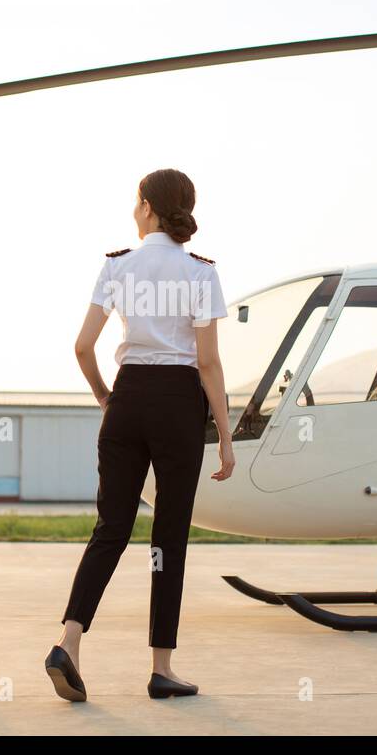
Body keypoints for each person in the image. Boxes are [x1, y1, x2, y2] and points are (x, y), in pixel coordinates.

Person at [46, 168, 235, 702]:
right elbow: (209, 363)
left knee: (111, 528)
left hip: (127, 398)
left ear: (148, 207)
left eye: (136, 202)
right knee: (167, 538)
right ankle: (161, 668)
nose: (133, 210)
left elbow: (83, 347)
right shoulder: (201, 273)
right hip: (178, 404)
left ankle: (69, 642)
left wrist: (108, 397)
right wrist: (223, 434)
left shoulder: (118, 267)